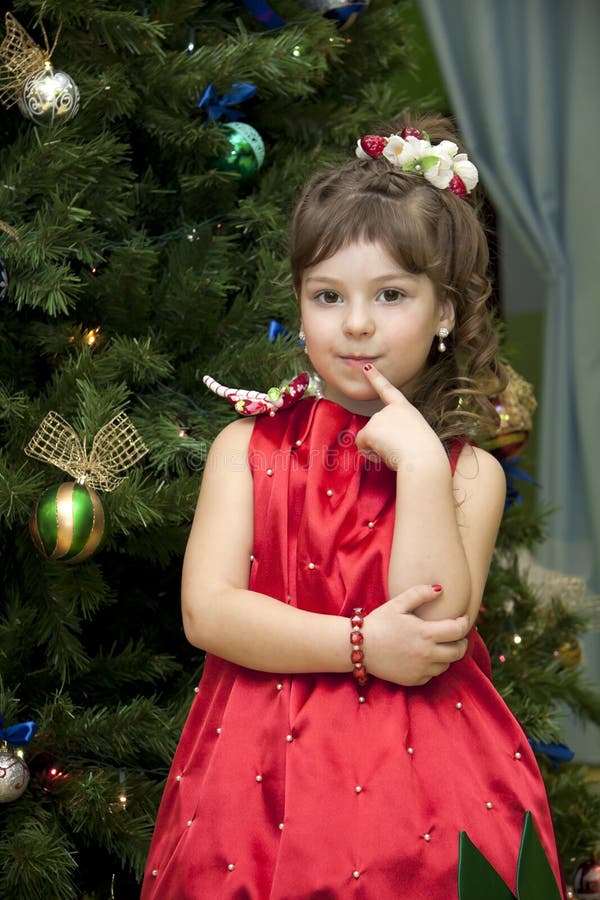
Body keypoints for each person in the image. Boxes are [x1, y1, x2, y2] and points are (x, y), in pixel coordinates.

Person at [141, 114, 565, 899]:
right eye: (328, 295)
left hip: (428, 791)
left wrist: (418, 467)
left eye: (391, 294)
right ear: (300, 305)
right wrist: (362, 644)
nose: (357, 323)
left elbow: (435, 622)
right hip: (254, 781)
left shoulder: (469, 475)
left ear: (445, 312)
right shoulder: (248, 448)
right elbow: (207, 613)